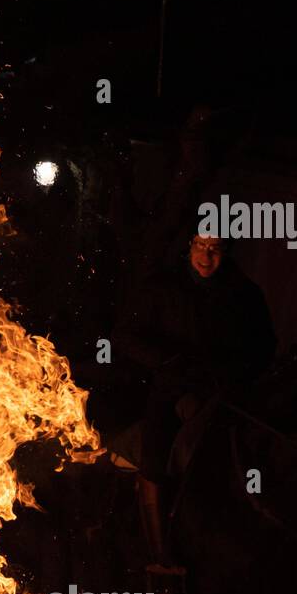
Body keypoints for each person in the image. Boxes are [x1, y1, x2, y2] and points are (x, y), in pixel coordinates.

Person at [116, 232, 277, 568]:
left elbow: (264, 348)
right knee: (155, 458)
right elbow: (126, 336)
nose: (207, 256)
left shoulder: (245, 294)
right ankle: (161, 559)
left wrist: (230, 374)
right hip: (171, 390)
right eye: (201, 247)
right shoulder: (162, 286)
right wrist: (167, 361)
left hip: (224, 395)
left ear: (227, 252)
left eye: (215, 249)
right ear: (188, 245)